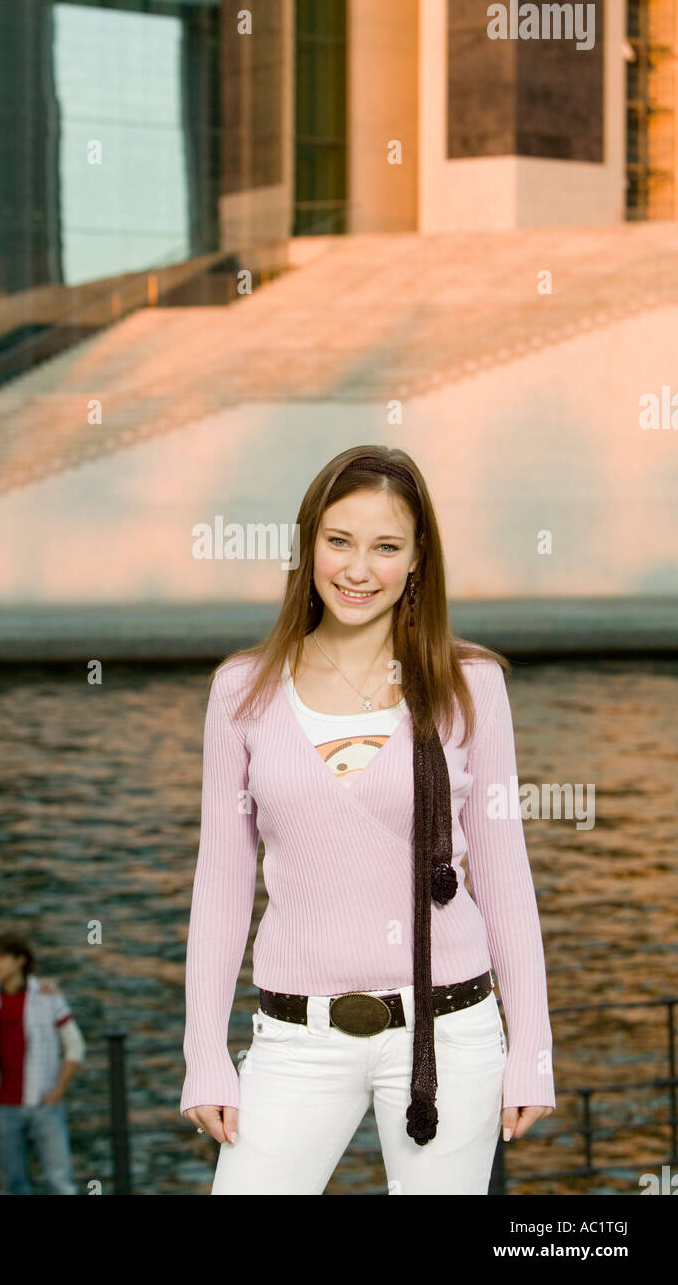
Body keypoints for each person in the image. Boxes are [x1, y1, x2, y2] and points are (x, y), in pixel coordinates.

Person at [180, 444, 556, 1195]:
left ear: (418, 560)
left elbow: (505, 871)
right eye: (339, 541)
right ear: (308, 543)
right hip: (294, 1037)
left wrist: (533, 1049)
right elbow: (221, 883)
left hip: (447, 1036)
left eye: (386, 547)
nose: (358, 570)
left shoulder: (469, 686)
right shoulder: (241, 691)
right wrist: (204, 1054)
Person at [0, 931, 85, 1195]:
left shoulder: (47, 996)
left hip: (44, 1103)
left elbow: (76, 1046)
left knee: (60, 1181)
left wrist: (58, 1089)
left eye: (1, 958)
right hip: (3, 1104)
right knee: (13, 1184)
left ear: (20, 960)